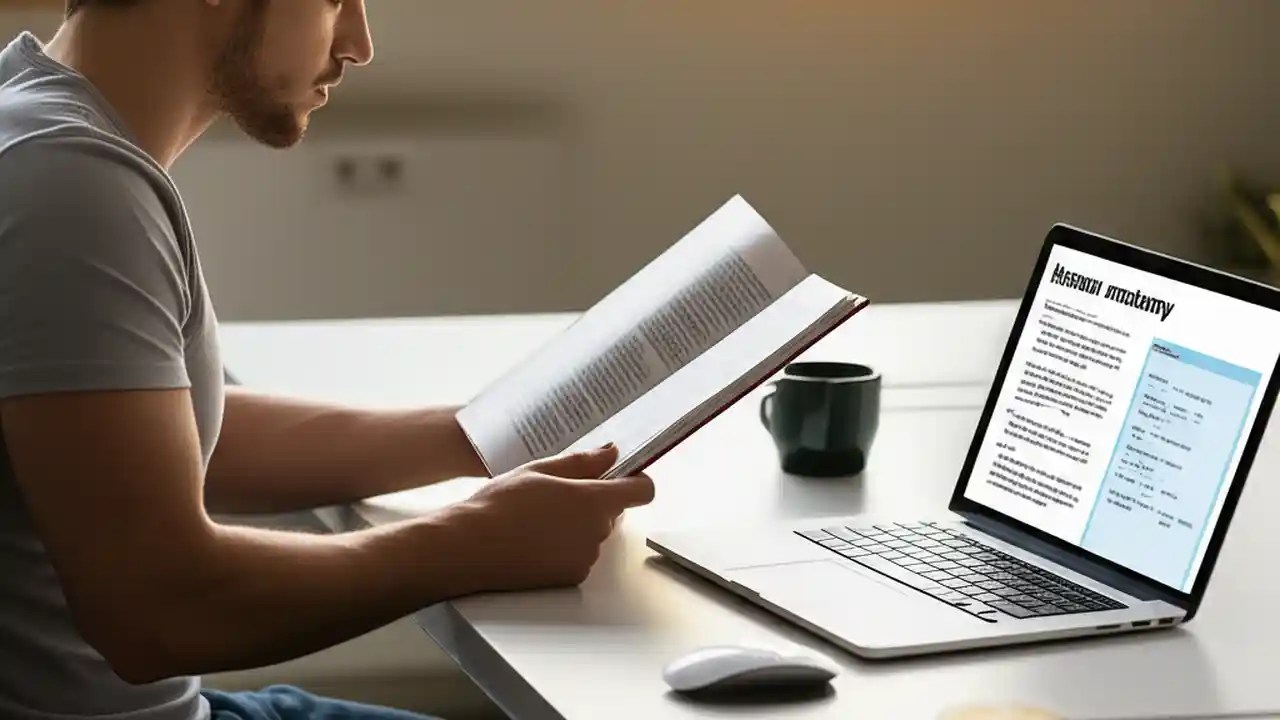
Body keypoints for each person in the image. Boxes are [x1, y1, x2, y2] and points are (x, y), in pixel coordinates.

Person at [0, 1, 656, 719]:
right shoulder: (71, 185)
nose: (359, 44)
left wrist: (481, 434)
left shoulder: (35, 124)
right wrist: (472, 544)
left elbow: (153, 435)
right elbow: (160, 607)